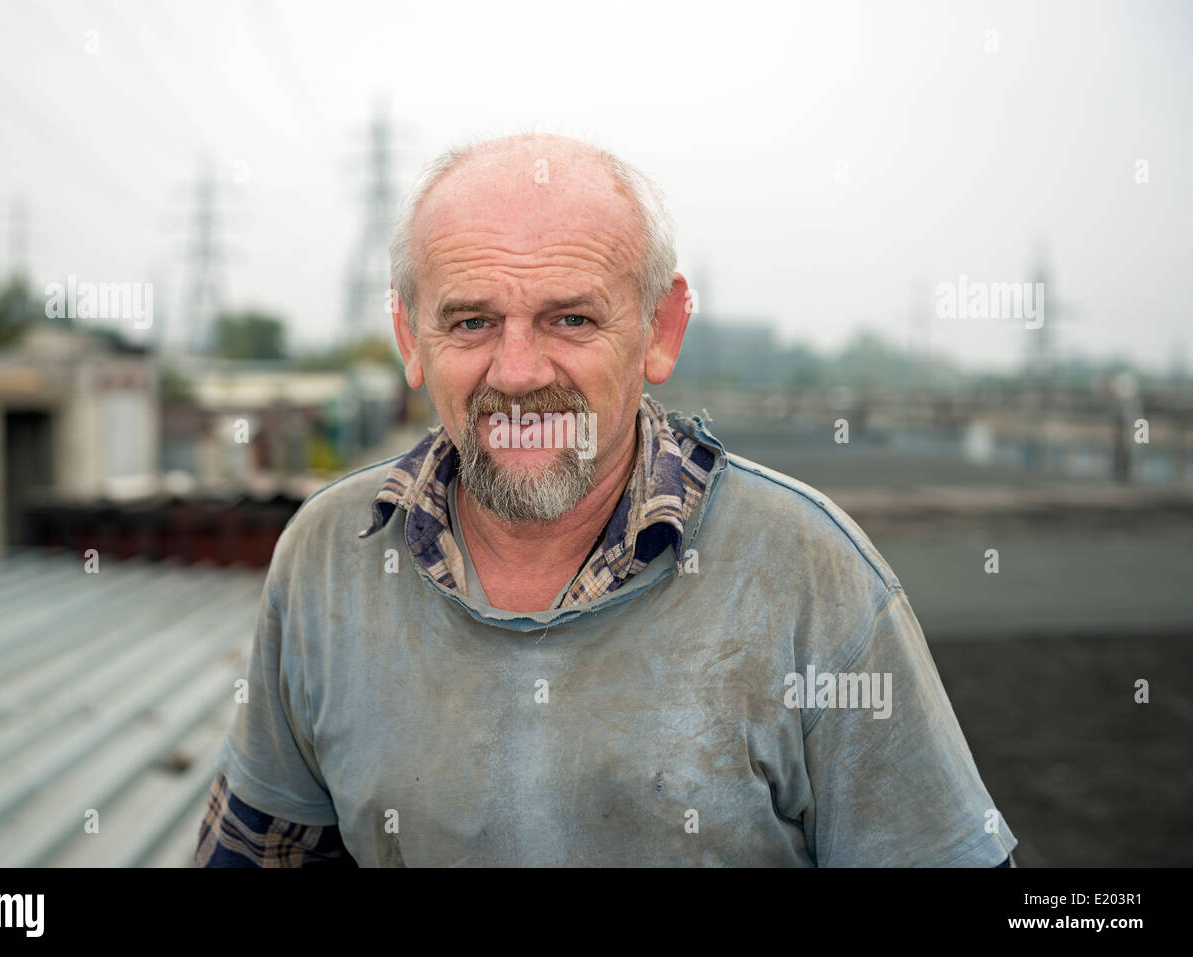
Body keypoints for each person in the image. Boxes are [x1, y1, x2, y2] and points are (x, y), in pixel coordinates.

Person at [194, 133, 1017, 867]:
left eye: (571, 319)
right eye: (473, 322)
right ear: (411, 338)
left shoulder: (811, 577)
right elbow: (259, 848)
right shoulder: (327, 558)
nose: (518, 374)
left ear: (661, 329)